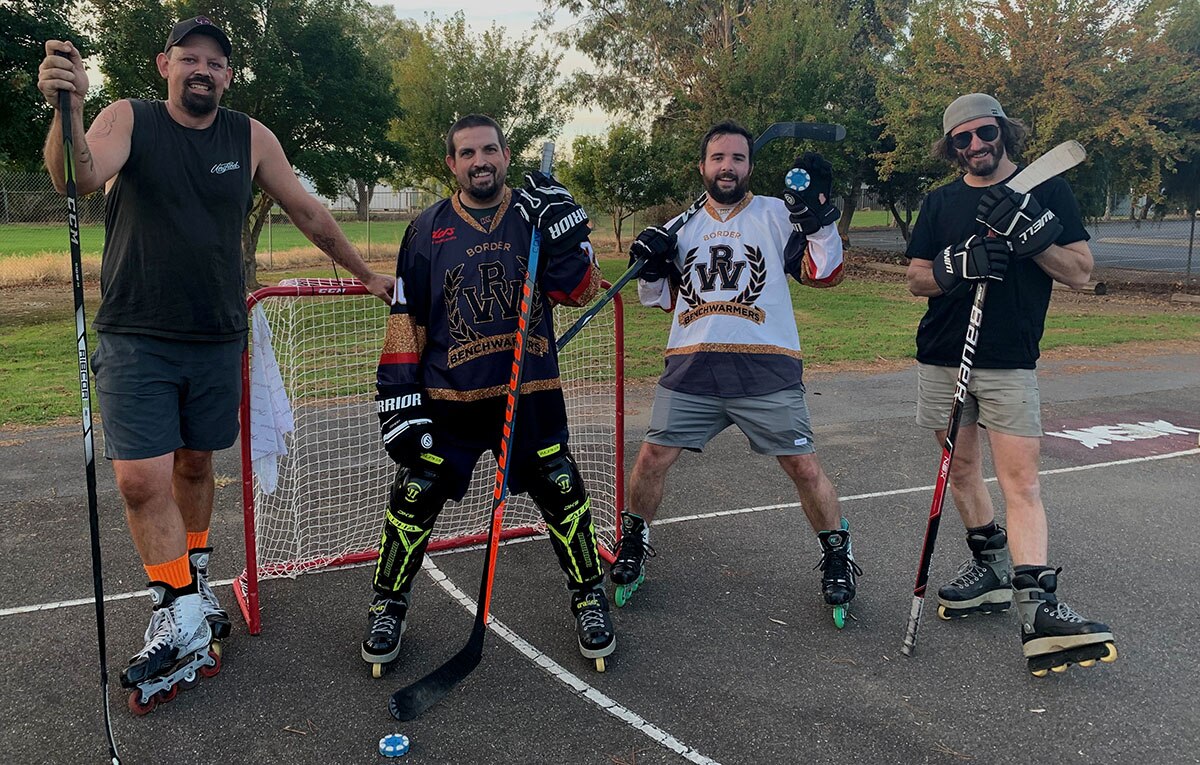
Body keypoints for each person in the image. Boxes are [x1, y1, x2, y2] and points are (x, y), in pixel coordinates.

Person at [37, 18, 393, 711]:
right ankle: (178, 611)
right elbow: (75, 175)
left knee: (196, 466)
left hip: (216, 335)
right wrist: (70, 108)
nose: (203, 70)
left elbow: (309, 213)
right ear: (165, 63)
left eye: (216, 63)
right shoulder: (127, 118)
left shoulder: (250, 135)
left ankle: (192, 580)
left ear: (229, 76)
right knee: (143, 480)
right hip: (138, 335)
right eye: (190, 58)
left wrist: (367, 273)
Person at [362, 114, 616, 676]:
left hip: (530, 392)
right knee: (415, 492)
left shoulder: (532, 218)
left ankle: (589, 599)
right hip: (450, 398)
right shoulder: (426, 229)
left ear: (506, 156)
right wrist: (399, 400)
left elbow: (578, 291)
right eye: (468, 152)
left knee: (560, 485)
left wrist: (570, 233)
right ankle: (388, 606)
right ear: (450, 164)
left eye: (491, 150)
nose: (481, 161)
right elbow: (407, 321)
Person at [905, 93, 1116, 676]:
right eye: (962, 138)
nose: (975, 145)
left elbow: (1079, 273)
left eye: (984, 132)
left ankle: (1038, 609)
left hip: (1008, 361)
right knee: (963, 472)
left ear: (1003, 131)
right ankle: (991, 566)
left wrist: (1030, 237)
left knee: (1020, 482)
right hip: (943, 356)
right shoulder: (941, 201)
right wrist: (957, 266)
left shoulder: (1047, 192)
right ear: (951, 148)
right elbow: (917, 279)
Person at [616, 120, 857, 626]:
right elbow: (658, 301)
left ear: (750, 166)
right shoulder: (680, 226)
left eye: (739, 159)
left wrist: (819, 221)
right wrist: (653, 266)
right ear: (703, 166)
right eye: (719, 158)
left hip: (765, 368)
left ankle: (837, 555)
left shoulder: (775, 214)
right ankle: (633, 541)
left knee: (804, 467)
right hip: (691, 367)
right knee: (652, 458)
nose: (728, 167)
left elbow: (823, 274)